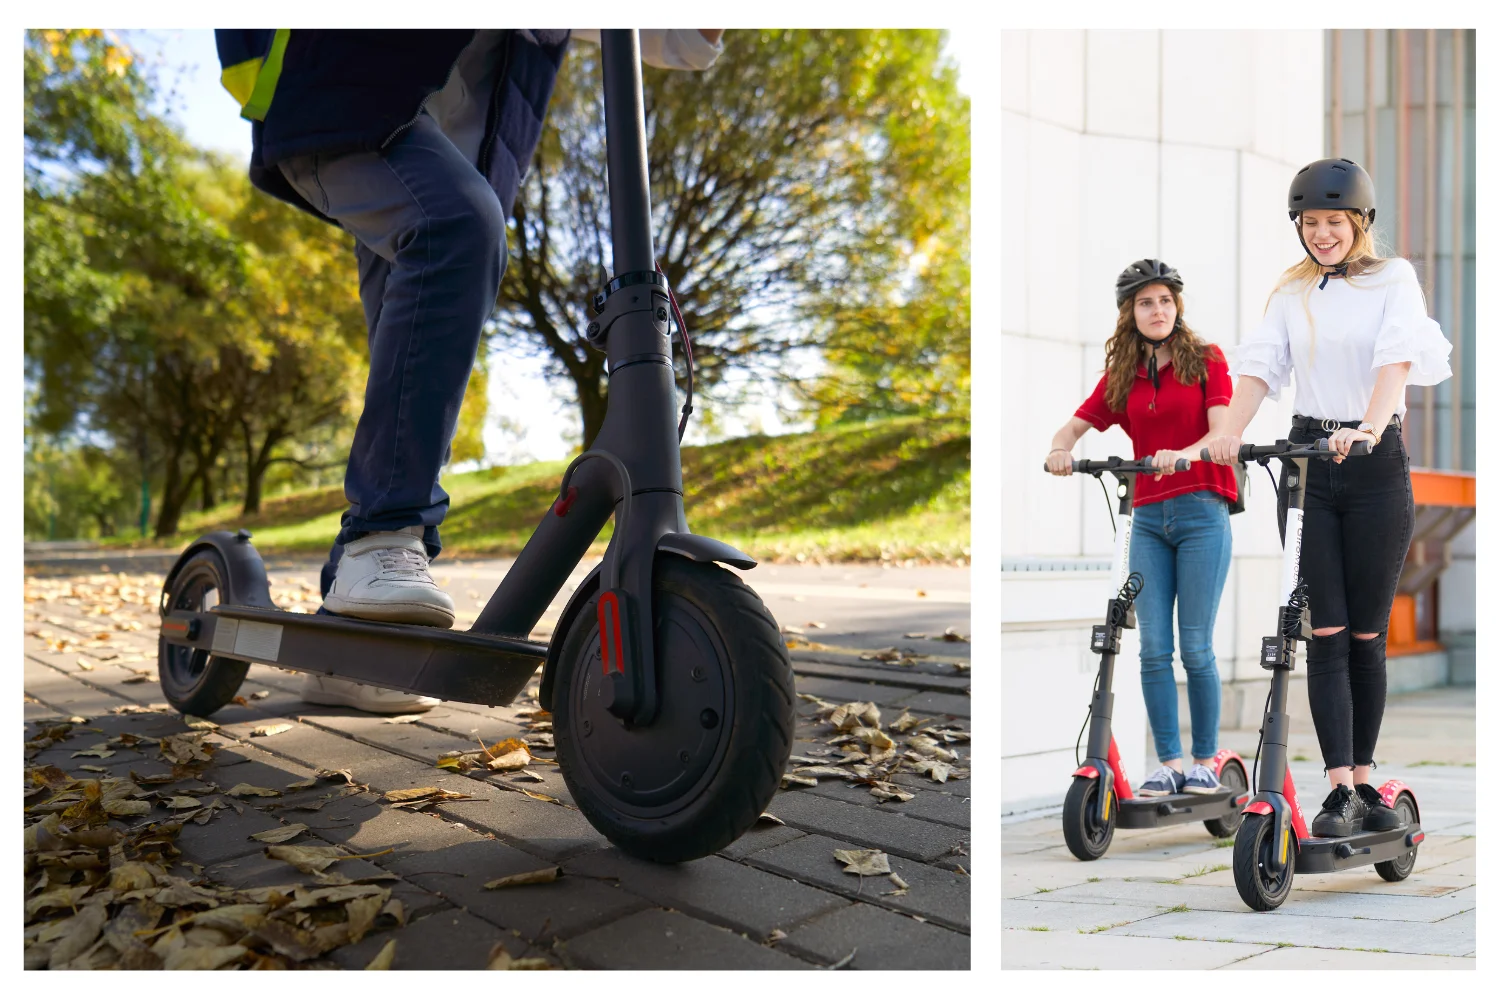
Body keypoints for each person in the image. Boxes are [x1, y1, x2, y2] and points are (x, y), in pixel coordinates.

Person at [214, 28, 724, 713]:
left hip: (442, 155)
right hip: (344, 104)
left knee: (416, 350)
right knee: (457, 227)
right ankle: (381, 539)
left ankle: (349, 627)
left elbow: (679, 38)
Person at [1205, 157, 1452, 837]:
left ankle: (1367, 781)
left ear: (1359, 223)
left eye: (1334, 222)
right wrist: (1227, 432)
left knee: (1368, 634)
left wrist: (1368, 427)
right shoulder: (1292, 291)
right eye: (1310, 222)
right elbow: (1260, 367)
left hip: (1374, 464)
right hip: (1308, 464)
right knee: (1325, 632)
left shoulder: (1393, 279)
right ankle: (1339, 788)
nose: (1321, 234)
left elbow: (1395, 359)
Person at [1046, 260, 1238, 796]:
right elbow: (1072, 428)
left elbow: (1221, 433)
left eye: (1165, 301)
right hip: (1148, 517)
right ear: (1130, 313)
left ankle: (1204, 761)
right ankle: (1170, 763)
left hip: (1202, 509)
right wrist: (1061, 450)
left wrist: (1184, 453)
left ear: (1178, 306)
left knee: (1194, 645)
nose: (1157, 311)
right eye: (1145, 303)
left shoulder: (1207, 360)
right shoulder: (1124, 375)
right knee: (1153, 647)